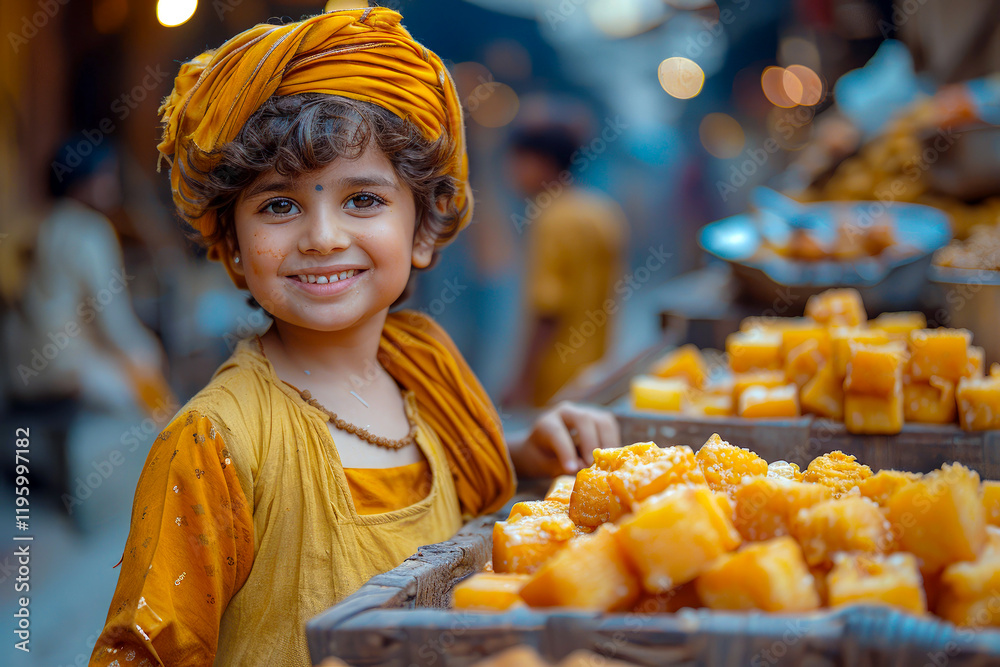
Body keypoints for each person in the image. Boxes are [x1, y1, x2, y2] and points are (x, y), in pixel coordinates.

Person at [89, 8, 620, 666]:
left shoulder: (427, 386)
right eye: (279, 204)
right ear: (231, 243)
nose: (323, 237)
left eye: (362, 200)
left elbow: (436, 483)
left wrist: (524, 453)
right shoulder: (214, 442)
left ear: (422, 230)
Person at [503, 123, 628, 407]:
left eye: (519, 162)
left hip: (556, 380)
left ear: (542, 162)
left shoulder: (552, 219)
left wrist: (522, 381)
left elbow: (547, 310)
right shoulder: (602, 211)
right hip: (597, 371)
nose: (512, 173)